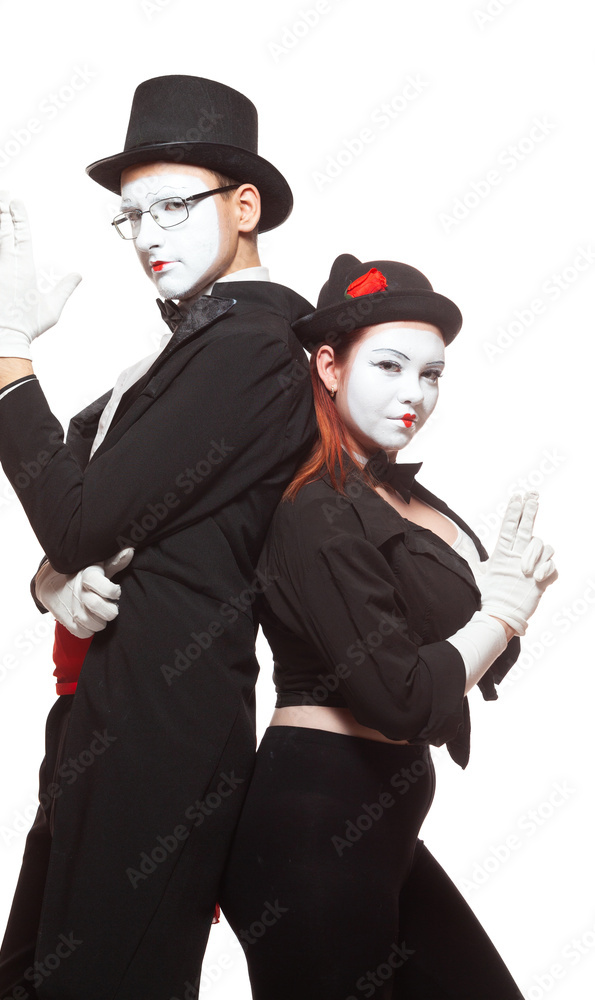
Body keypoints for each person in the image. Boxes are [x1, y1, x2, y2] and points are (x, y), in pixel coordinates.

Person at [0, 75, 316, 1000]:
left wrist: (4, 349)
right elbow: (73, 522)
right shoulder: (171, 356)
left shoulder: (252, 347)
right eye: (131, 217)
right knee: (30, 982)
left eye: (173, 205)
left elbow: (80, 515)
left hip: (162, 734)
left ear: (244, 208)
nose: (149, 234)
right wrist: (51, 586)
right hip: (100, 716)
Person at [218, 255, 557, 999]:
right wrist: (497, 614)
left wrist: (494, 607)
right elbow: (402, 698)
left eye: (431, 375)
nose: (414, 394)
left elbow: (474, 665)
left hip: (382, 825)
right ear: (330, 367)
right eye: (390, 366)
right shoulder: (313, 508)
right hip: (311, 826)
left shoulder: (396, 494)